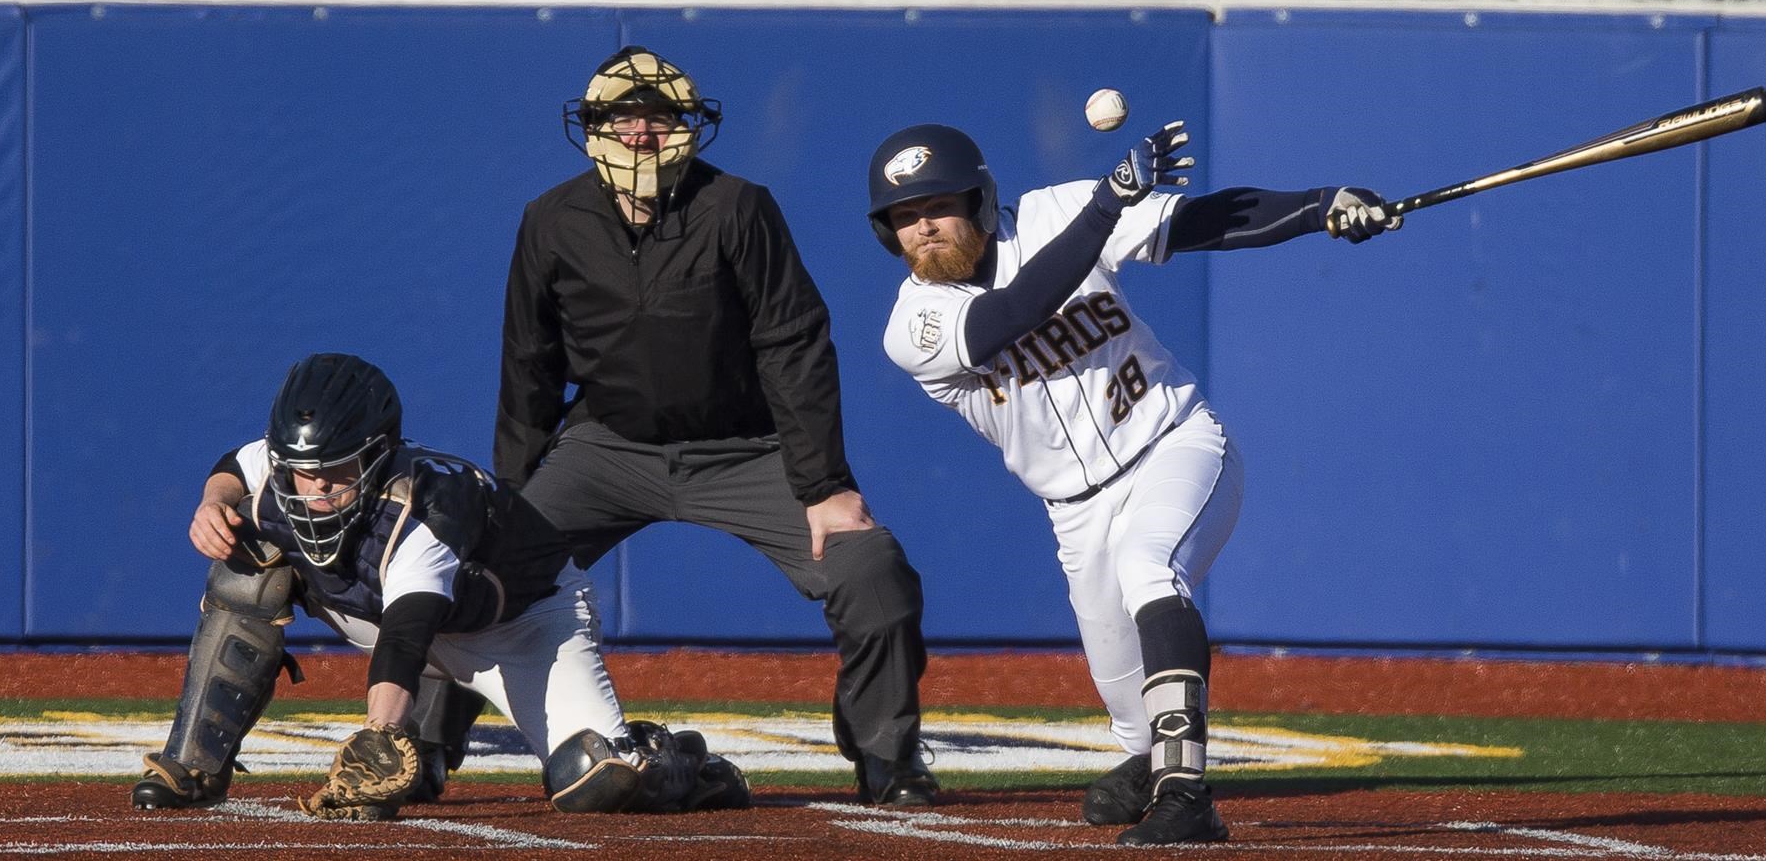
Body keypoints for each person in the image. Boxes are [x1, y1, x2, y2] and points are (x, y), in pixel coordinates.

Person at [862, 121, 1400, 845]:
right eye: (902, 217)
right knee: (1134, 719)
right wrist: (1107, 205)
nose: (921, 227)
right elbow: (1011, 316)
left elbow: (1199, 220)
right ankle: (1150, 760)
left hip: (1174, 445)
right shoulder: (914, 323)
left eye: (937, 207)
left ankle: (1187, 798)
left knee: (1152, 567)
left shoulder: (1058, 211)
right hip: (1076, 516)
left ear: (983, 201)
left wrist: (1321, 205)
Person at [495, 45, 935, 806]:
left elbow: (793, 342)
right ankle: (419, 746)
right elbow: (529, 364)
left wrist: (825, 484)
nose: (641, 129)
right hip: (606, 447)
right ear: (591, 125)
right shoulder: (550, 219)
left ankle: (885, 753)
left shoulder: (738, 206)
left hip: (745, 447)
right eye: (622, 114)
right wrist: (506, 496)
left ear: (689, 126)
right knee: (482, 571)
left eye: (659, 114)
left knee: (871, 569)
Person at [132, 352, 749, 817]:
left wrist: (378, 738)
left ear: (379, 455)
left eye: (336, 470)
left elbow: (406, 634)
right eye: (301, 472)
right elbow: (235, 467)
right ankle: (191, 764)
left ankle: (681, 767)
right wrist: (213, 503)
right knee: (247, 566)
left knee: (593, 777)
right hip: (400, 614)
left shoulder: (426, 506)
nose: (314, 489)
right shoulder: (283, 464)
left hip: (518, 626)